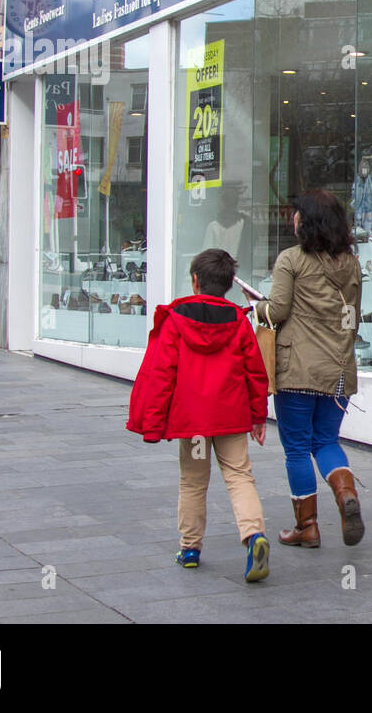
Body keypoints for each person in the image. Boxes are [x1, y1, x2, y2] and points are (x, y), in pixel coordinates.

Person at [127, 249, 272, 583]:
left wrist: (153, 424)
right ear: (228, 286)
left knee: (193, 481)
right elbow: (255, 371)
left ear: (195, 281)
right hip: (231, 416)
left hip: (192, 422)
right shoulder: (237, 320)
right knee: (239, 475)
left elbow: (162, 374)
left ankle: (190, 549)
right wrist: (258, 417)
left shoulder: (176, 320)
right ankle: (254, 536)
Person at [253, 188, 364, 548]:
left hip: (298, 369)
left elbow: (278, 311)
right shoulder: (351, 263)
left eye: (298, 213)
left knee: (298, 448)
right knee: (327, 441)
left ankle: (307, 526)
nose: (293, 218)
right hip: (339, 371)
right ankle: (346, 493)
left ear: (308, 221)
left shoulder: (291, 259)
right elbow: (353, 318)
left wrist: (256, 307)